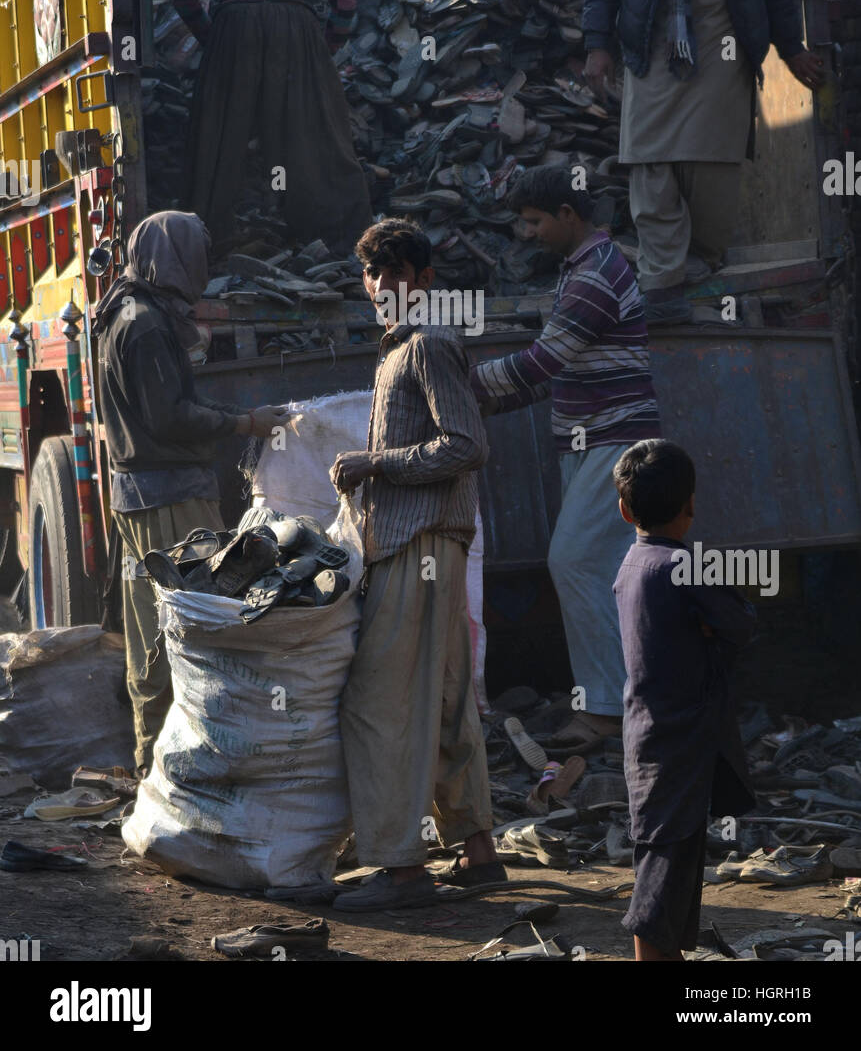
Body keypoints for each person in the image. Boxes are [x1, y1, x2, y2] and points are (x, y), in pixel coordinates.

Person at [583, 0, 826, 323]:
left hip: (724, 42)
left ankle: (702, 263)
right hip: (651, 39)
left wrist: (790, 46)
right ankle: (664, 284)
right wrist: (596, 43)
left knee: (713, 166)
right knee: (650, 163)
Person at [328, 216, 502, 910]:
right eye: (372, 273)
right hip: (426, 544)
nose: (381, 286)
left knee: (380, 705)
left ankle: (402, 868)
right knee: (446, 702)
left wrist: (373, 464)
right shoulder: (398, 352)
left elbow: (465, 445)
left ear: (425, 281)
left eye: (396, 272)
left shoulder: (426, 347)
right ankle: (478, 851)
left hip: (418, 544)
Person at [470, 165, 661, 747]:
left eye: (534, 221)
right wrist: (480, 406)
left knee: (574, 561)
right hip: (592, 440)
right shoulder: (581, 269)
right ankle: (634, 705)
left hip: (616, 442)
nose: (528, 233)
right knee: (607, 576)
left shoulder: (598, 272)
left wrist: (459, 382)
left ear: (568, 216)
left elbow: (542, 361)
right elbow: (554, 373)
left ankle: (605, 712)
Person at [94, 211, 285, 774]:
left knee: (148, 631)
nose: (204, 268)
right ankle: (184, 769)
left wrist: (241, 417)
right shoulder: (147, 323)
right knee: (189, 629)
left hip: (138, 495)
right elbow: (171, 418)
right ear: (176, 257)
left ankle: (150, 764)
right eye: (198, 254)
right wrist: (245, 424)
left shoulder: (123, 307)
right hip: (171, 499)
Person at [173, 0, 371, 253]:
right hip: (293, 22)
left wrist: (216, 42)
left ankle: (205, 239)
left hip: (233, 22)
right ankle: (337, 240)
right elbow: (343, 3)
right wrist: (321, 53)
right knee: (317, 128)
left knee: (217, 132)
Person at [612, 439, 757, 960]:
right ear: (691, 505)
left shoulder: (633, 563)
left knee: (669, 870)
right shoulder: (686, 565)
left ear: (625, 509)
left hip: (650, 740)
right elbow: (740, 624)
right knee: (662, 876)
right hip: (681, 745)